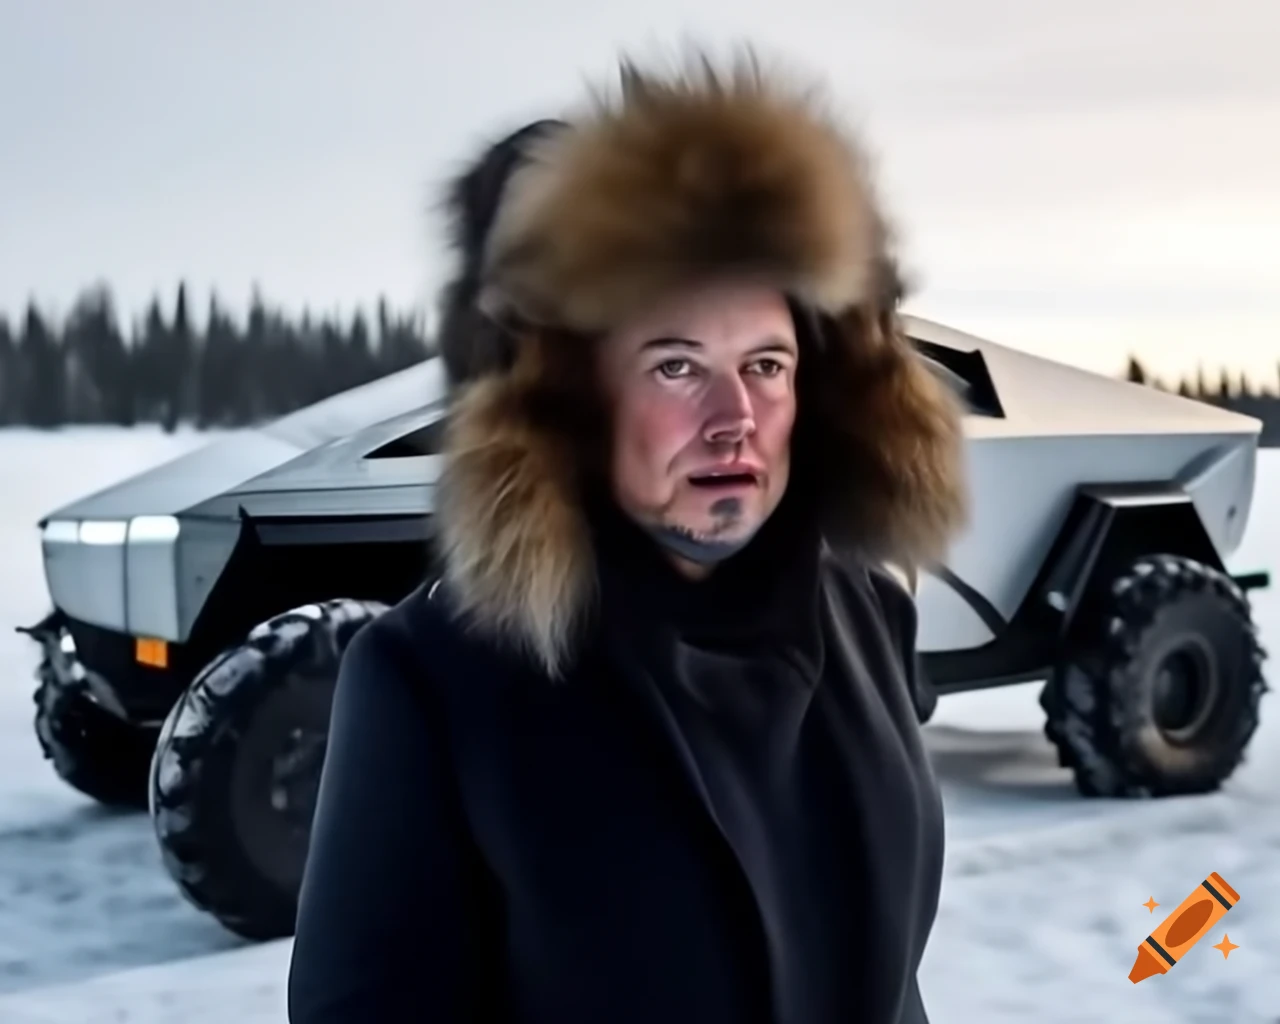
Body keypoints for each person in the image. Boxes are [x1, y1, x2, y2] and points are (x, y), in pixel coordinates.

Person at [287, 48, 968, 1024]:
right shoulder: (432, 683)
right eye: (677, 365)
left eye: (765, 362)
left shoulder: (867, 620)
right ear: (571, 397)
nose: (733, 414)